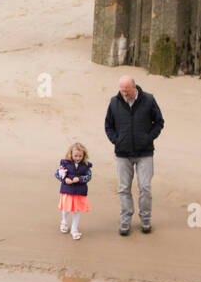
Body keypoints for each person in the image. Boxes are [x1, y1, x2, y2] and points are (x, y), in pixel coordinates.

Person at [104, 75, 164, 236]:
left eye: (127, 91)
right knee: (124, 189)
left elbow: (159, 122)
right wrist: (116, 141)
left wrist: (148, 137)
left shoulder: (149, 100)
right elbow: (108, 125)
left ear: (134, 87)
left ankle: (145, 219)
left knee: (145, 187)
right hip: (123, 153)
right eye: (122, 91)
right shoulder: (114, 102)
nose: (124, 94)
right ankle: (125, 220)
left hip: (145, 152)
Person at [55, 142, 92, 240]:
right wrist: (64, 179)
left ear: (84, 155)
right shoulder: (65, 164)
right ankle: (64, 222)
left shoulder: (86, 165)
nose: (78, 158)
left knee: (77, 211)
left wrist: (80, 179)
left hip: (79, 192)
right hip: (67, 190)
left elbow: (88, 177)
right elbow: (57, 174)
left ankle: (74, 229)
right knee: (66, 209)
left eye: (80, 156)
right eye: (76, 155)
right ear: (70, 154)